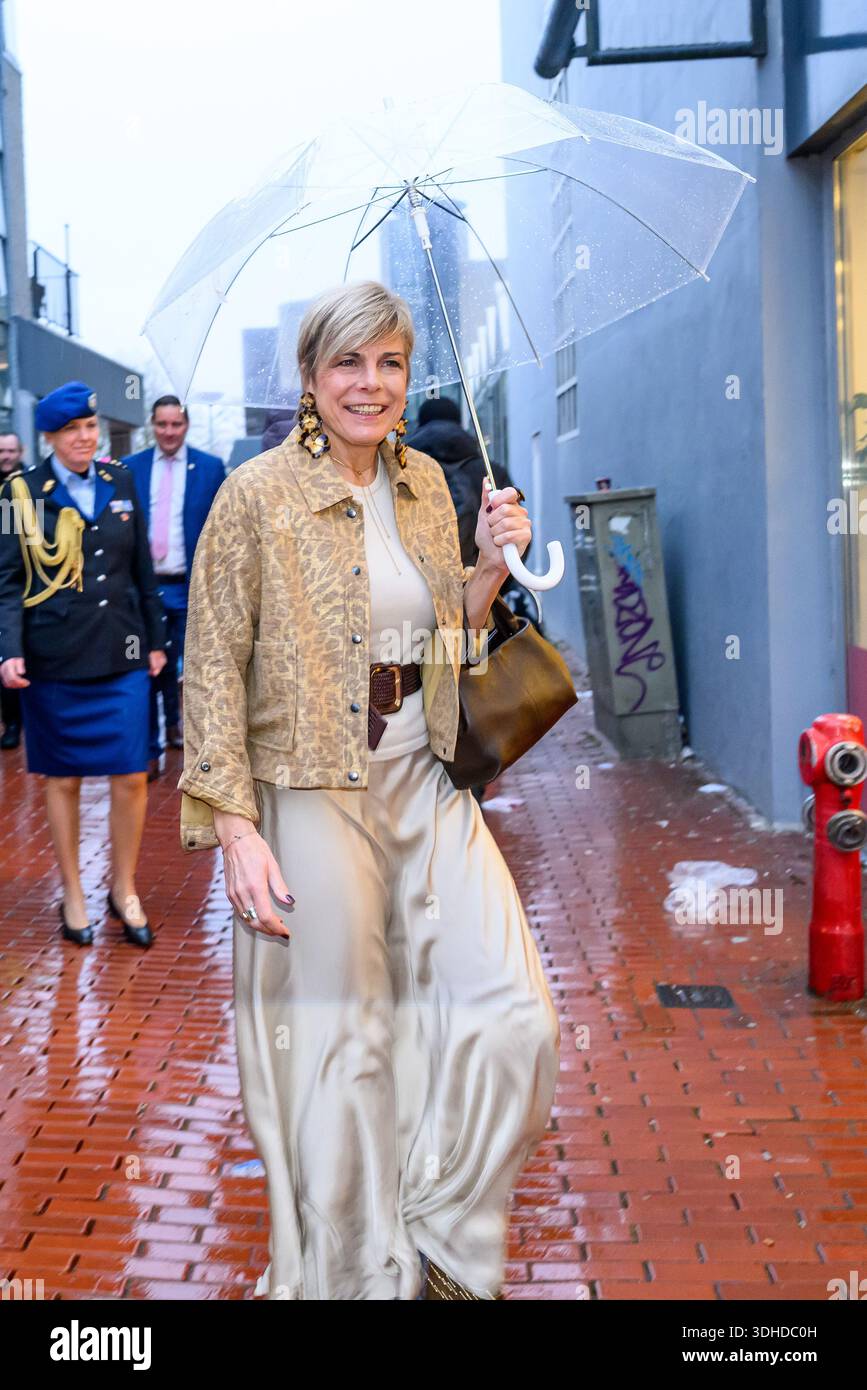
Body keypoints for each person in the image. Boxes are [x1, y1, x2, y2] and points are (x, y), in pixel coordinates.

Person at [178, 281, 560, 1300]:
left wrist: (484, 569)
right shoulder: (256, 495)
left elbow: (448, 643)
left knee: (516, 1018)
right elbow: (212, 663)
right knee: (346, 1050)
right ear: (310, 377)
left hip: (423, 775)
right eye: (349, 362)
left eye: (391, 362)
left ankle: (438, 1233)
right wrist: (236, 828)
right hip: (310, 784)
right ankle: (353, 1277)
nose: (371, 383)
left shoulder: (430, 482)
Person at [0, 382, 167, 946]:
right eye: (72, 430)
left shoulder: (120, 480)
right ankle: (73, 891)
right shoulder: (16, 495)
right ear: (48, 436)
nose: (84, 438)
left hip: (121, 650)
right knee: (63, 776)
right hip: (53, 657)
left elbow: (141, 567)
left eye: (90, 427)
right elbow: (6, 580)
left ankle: (123, 887)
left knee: (131, 772)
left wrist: (156, 639)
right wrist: (9, 648)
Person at [123, 397, 225, 781]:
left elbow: (221, 530)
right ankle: (149, 748)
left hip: (191, 587)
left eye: (176, 424)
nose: (169, 432)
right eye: (162, 424)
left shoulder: (211, 468)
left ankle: (194, 748)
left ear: (187, 426)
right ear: (152, 425)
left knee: (196, 671)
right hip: (145, 590)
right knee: (147, 669)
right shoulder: (130, 469)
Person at [0, 432, 28, 748]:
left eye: (11, 451)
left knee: (9, 651)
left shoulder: (26, 488)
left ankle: (14, 724)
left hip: (14, 583)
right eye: (1, 451)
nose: (6, 456)